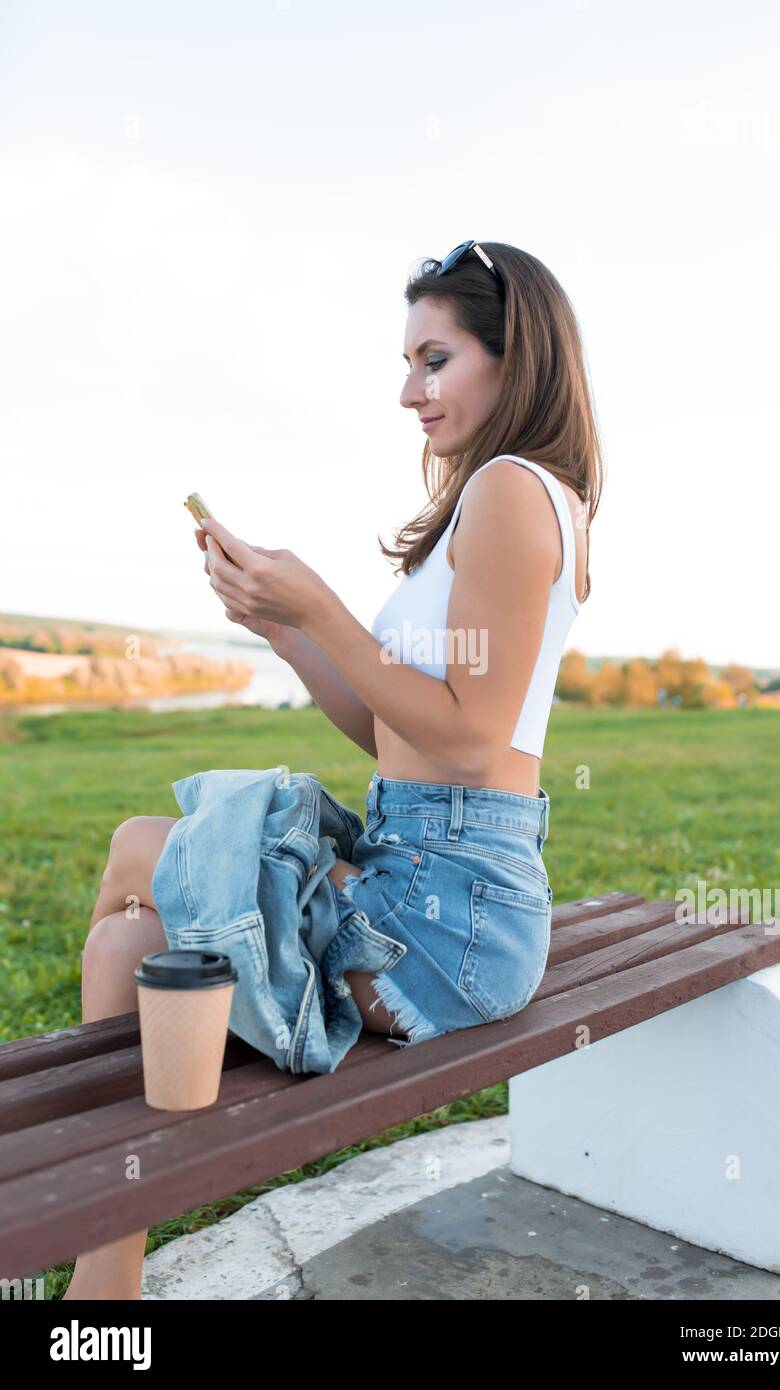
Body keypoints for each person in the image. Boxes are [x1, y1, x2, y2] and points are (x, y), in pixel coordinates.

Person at [62, 239, 603, 1299]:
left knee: (138, 848)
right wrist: (285, 630)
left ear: (515, 356)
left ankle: (105, 1262)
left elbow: (465, 742)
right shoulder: (515, 499)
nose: (410, 391)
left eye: (434, 359)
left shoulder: (507, 490)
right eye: (409, 363)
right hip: (439, 873)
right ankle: (106, 1270)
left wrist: (326, 609)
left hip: (447, 914)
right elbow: (395, 732)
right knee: (128, 942)